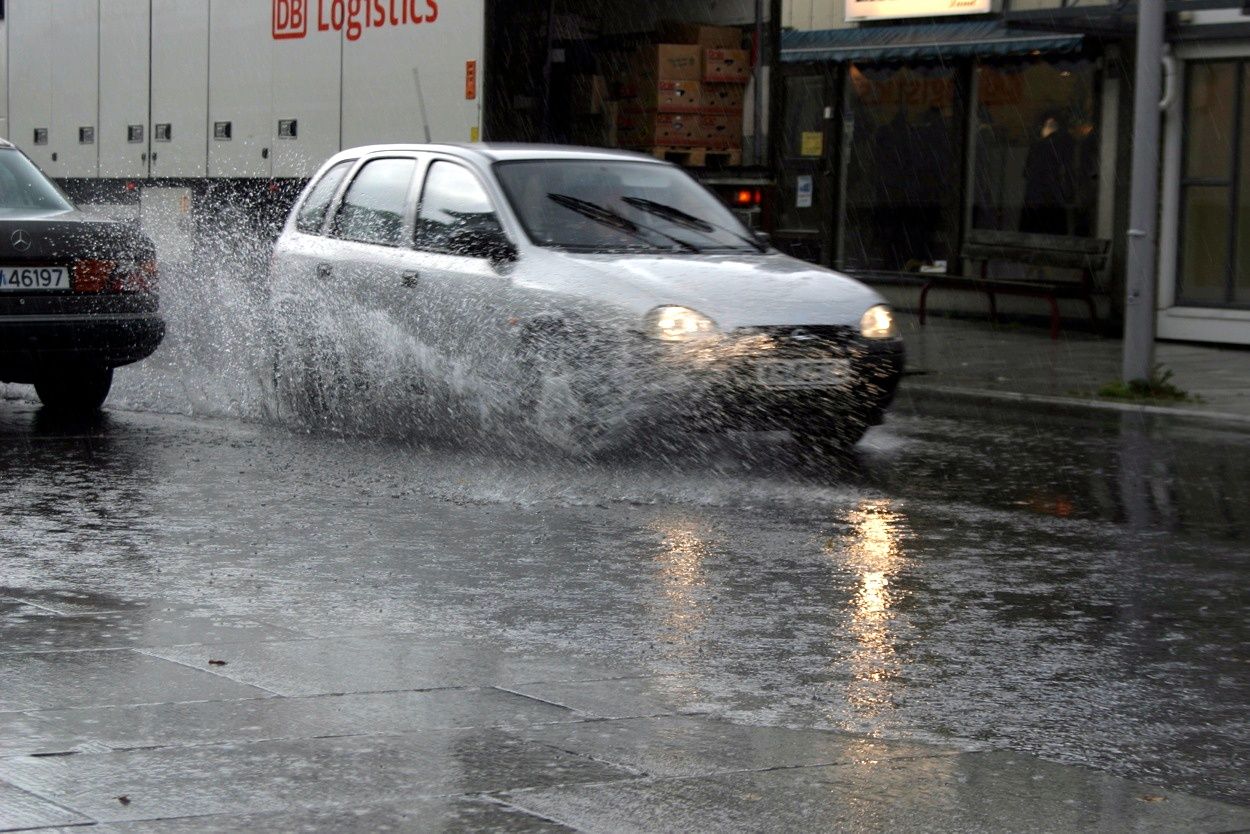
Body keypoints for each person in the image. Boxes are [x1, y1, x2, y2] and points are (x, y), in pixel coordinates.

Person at [1020, 110, 1077, 235]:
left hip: (1038, 200)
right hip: (1053, 199)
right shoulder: (1066, 143)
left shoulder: (1039, 146)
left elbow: (1028, 172)